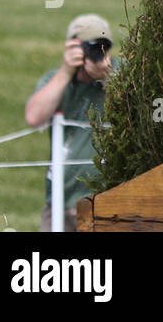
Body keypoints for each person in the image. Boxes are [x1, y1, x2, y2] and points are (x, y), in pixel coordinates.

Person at [24, 14, 114, 231]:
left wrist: (108, 78)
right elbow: (34, 117)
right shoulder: (56, 79)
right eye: (91, 47)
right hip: (62, 202)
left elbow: (144, 106)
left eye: (103, 46)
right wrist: (66, 72)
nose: (97, 53)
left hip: (109, 204)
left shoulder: (121, 74)